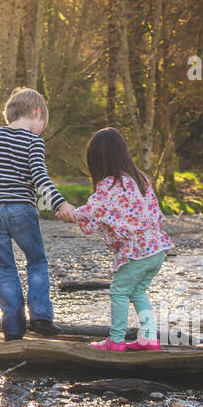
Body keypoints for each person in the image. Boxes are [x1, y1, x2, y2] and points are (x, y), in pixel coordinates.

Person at [0, 87, 76, 339]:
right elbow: (40, 177)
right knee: (36, 261)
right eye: (43, 124)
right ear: (37, 112)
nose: (42, 131)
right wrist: (61, 204)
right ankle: (40, 317)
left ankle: (13, 329)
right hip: (21, 210)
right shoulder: (33, 141)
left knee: (5, 268)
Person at [62, 127, 173, 352]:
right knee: (138, 291)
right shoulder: (141, 179)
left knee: (119, 292)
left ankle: (117, 340)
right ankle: (149, 338)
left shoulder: (110, 185)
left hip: (136, 251)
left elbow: (92, 210)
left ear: (99, 160)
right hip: (156, 249)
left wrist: (70, 214)